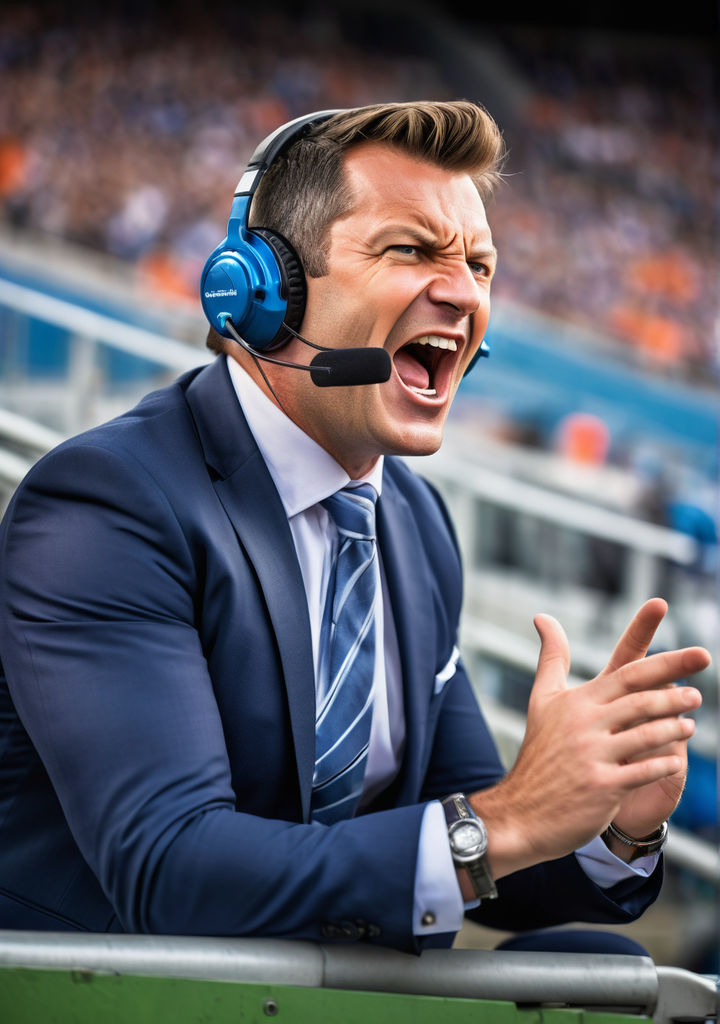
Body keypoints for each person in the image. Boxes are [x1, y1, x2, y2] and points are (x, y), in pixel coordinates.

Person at [0, 101, 709, 953]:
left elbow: (476, 850)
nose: (462, 292)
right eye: (411, 250)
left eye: (480, 265)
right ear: (263, 290)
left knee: (595, 962)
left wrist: (608, 822)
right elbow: (171, 870)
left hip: (323, 993)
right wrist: (509, 817)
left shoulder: (411, 519)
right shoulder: (109, 503)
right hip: (132, 994)